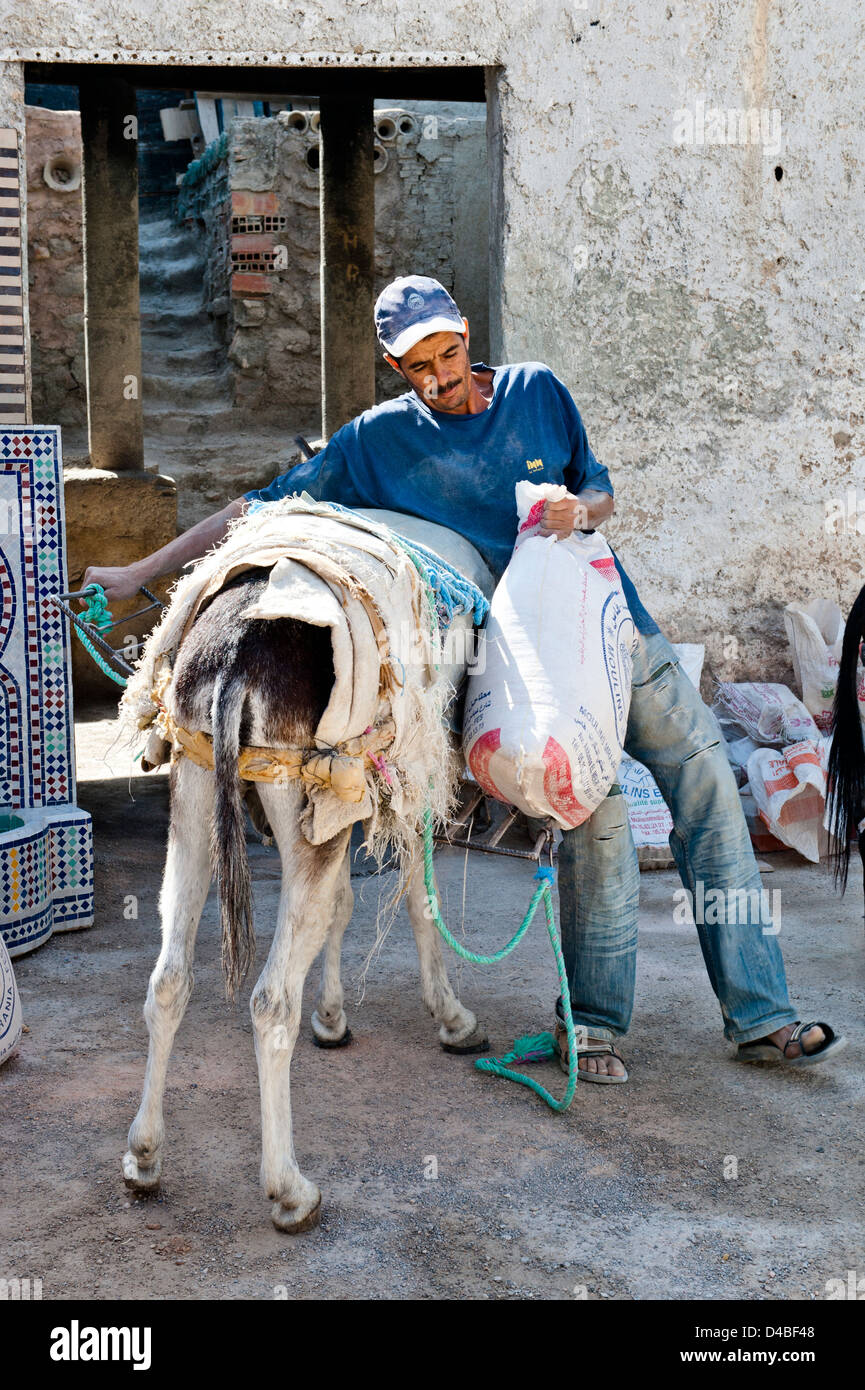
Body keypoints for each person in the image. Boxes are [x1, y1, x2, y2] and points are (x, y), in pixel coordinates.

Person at [85, 275, 845, 1081]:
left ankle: (762, 1017)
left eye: (448, 353)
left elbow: (600, 488)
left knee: (707, 787)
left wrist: (578, 513)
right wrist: (143, 570)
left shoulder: (537, 390)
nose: (442, 376)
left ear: (466, 334)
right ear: (393, 364)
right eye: (419, 365)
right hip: (527, 668)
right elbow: (257, 507)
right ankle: (589, 1028)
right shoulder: (375, 443)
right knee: (591, 814)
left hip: (613, 628)